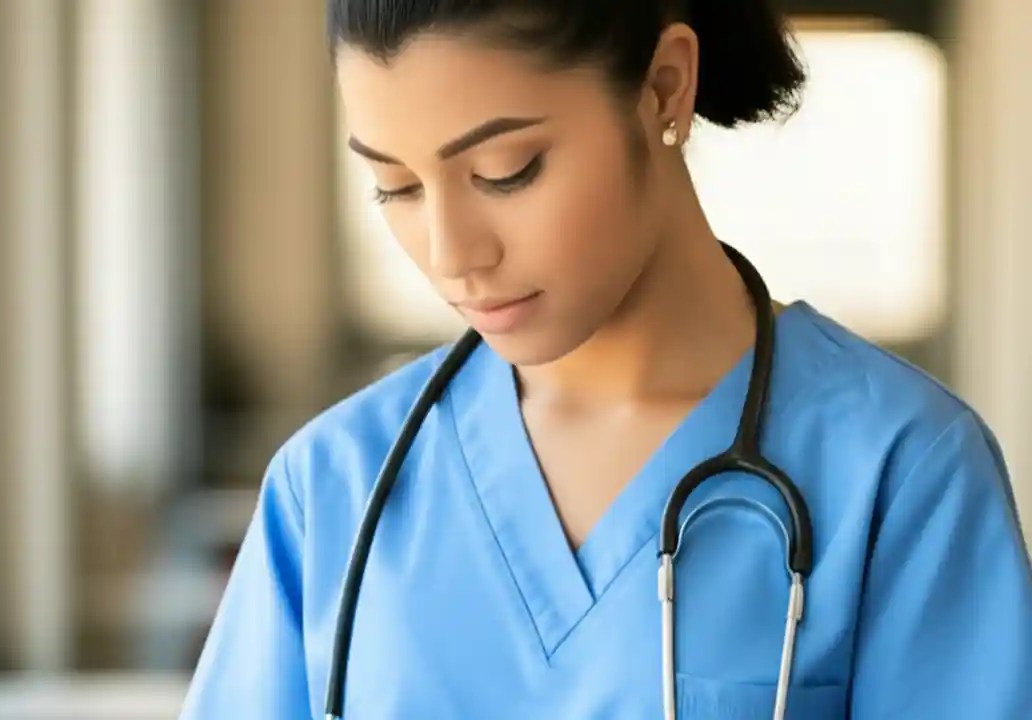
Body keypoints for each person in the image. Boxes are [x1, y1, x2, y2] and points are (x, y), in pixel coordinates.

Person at [179, 0, 1032, 717]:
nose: (450, 254)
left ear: (664, 87)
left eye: (506, 171)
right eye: (395, 186)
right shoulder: (335, 486)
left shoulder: (899, 472)